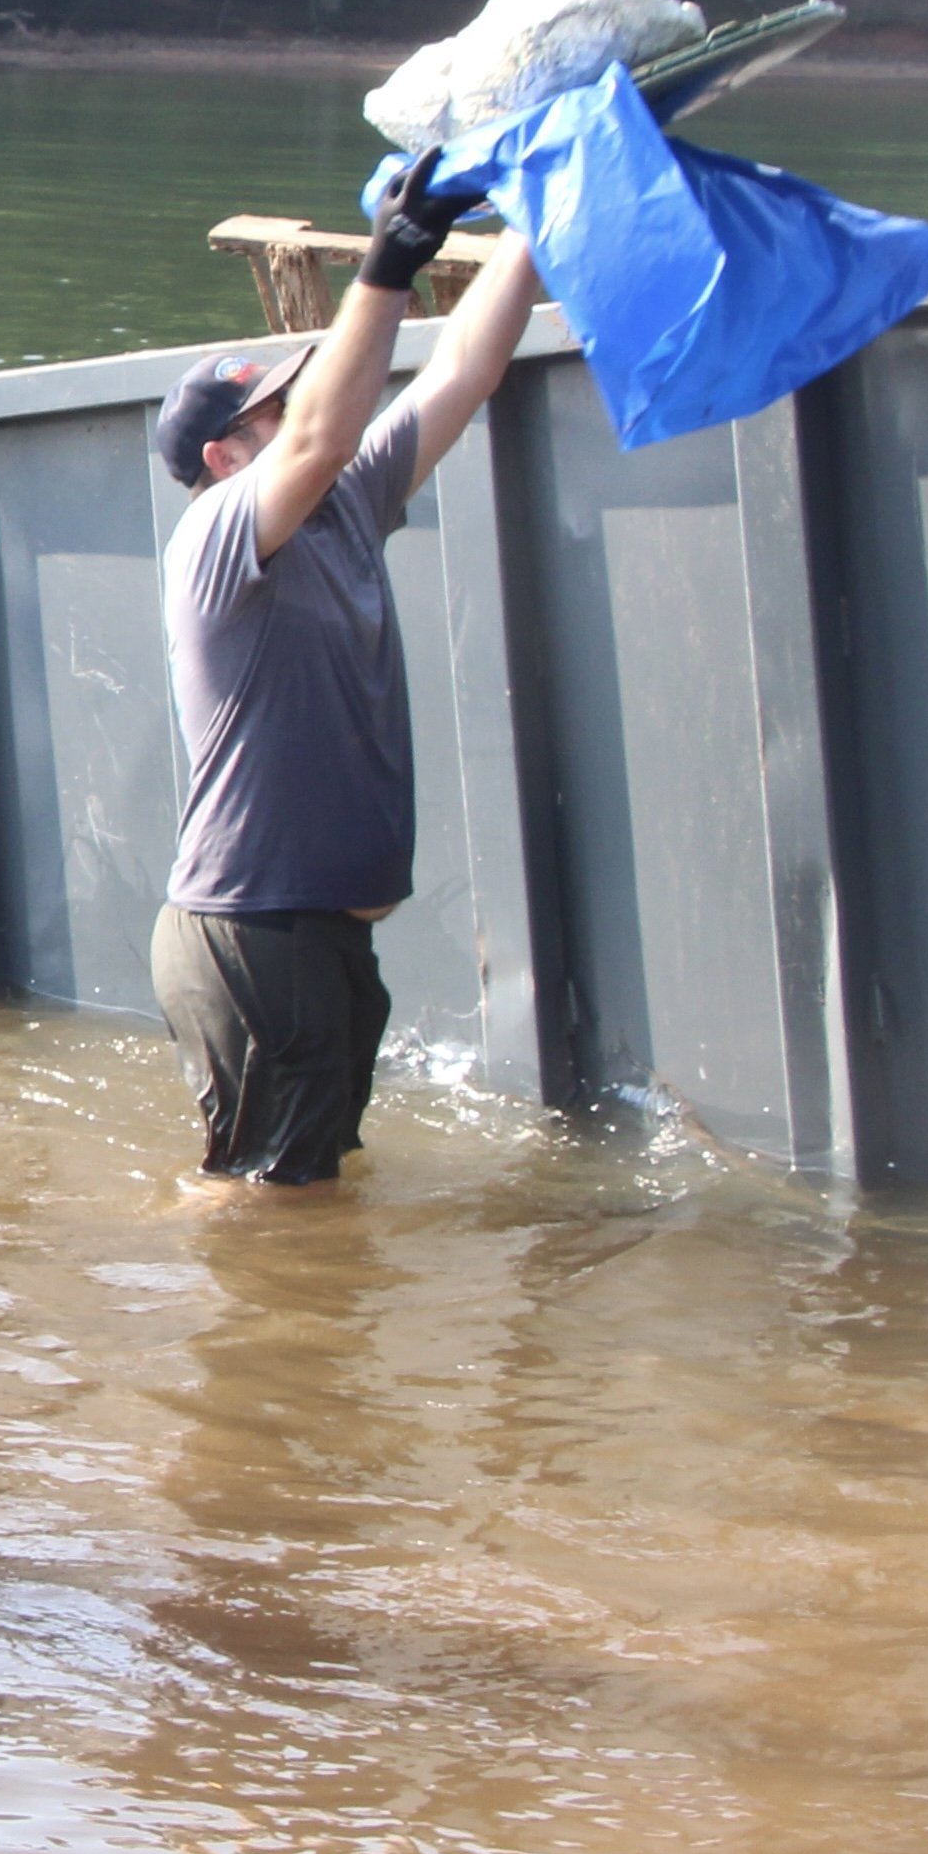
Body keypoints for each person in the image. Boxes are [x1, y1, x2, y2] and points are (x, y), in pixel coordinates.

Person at [149, 156, 545, 1188]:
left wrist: (539, 219)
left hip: (310, 933)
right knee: (269, 1216)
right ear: (222, 460)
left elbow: (464, 372)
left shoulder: (346, 507)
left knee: (296, 1200)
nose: (302, 417)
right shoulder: (215, 535)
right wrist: (394, 254)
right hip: (253, 931)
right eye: (271, 415)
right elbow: (322, 439)